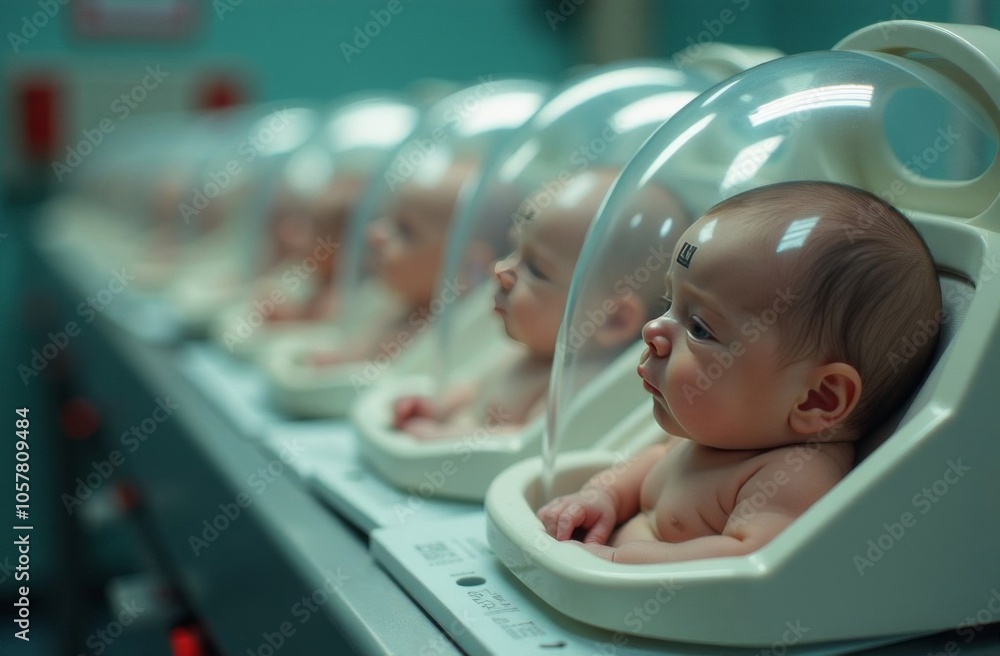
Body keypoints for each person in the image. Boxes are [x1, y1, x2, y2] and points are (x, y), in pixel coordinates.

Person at [536, 181, 942, 564]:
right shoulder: (708, 436)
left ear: (818, 398)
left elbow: (747, 559)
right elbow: (647, 467)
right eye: (668, 302)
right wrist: (600, 498)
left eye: (699, 328)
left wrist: (619, 561)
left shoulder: (792, 473)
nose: (653, 329)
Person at [393, 169, 688, 441]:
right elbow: (476, 393)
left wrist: (439, 437)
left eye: (535, 269)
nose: (500, 270)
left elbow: (523, 444)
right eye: (513, 250)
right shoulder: (524, 352)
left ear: (614, 319)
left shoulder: (576, 383)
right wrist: (436, 407)